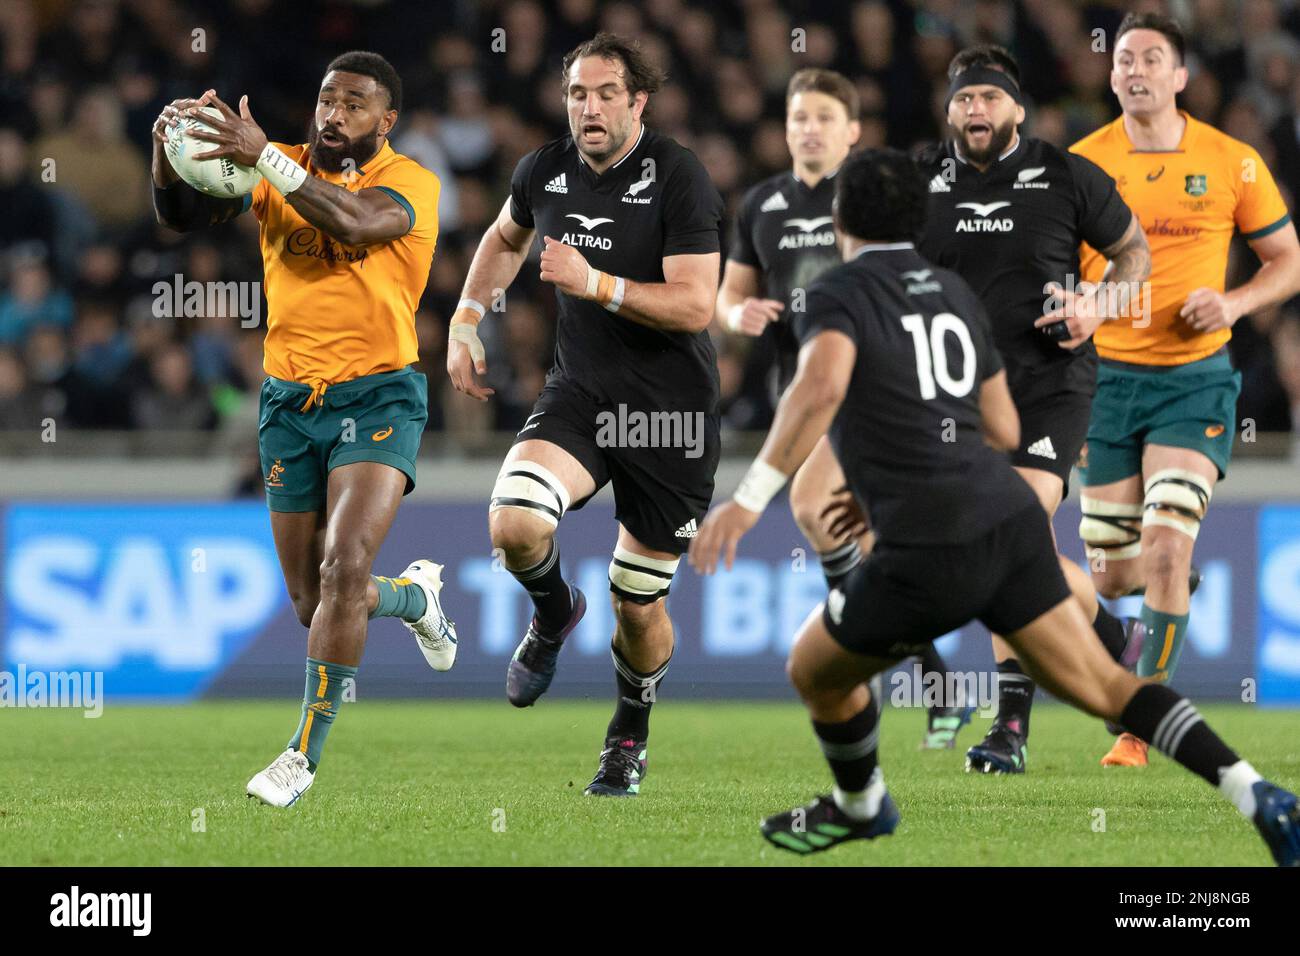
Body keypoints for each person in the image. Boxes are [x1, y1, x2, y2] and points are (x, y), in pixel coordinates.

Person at [688, 148, 1299, 864]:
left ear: (839, 219)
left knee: (811, 670)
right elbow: (1005, 428)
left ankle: (863, 804)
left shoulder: (836, 291)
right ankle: (1255, 791)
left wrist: (750, 499)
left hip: (923, 548)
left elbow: (817, 390)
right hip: (1004, 520)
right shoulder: (951, 291)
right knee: (1110, 688)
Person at [151, 51, 458, 808]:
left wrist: (266, 161)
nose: (334, 114)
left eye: (355, 105)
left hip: (380, 397)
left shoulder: (411, 183)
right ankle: (415, 602)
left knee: (342, 568)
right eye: (327, 99)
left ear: (385, 122)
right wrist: (168, 156)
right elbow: (181, 218)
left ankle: (301, 756)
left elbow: (354, 223)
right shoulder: (271, 163)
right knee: (311, 603)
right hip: (289, 405)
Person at [446, 34, 723, 797]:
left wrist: (596, 283)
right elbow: (505, 238)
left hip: (672, 417)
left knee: (637, 603)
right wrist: (466, 318)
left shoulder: (679, 176)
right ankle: (553, 609)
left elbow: (698, 304)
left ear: (639, 101)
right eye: (577, 93)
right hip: (582, 395)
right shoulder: (544, 169)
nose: (589, 107)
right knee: (515, 525)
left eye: (605, 93)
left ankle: (629, 731)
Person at [915, 45, 1153, 774]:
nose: (974, 110)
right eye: (963, 100)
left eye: (988, 98)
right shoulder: (920, 181)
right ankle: (1115, 640)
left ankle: (1010, 729)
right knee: (1004, 549)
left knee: (1009, 525)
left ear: (1016, 108)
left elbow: (1134, 255)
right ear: (949, 110)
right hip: (966, 397)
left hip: (1053, 384)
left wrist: (1095, 308)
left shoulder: (1067, 174)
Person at [1071, 13, 1300, 767]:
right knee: (1107, 573)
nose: (1135, 69)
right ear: (1112, 77)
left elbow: (1286, 260)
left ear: (1179, 77)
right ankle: (1170, 574)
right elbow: (1051, 264)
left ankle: (1140, 726)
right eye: (1125, 58)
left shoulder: (1231, 162)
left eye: (1152, 59)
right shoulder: (1080, 164)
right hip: (1107, 381)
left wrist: (1233, 305)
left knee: (1166, 544)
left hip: (1196, 378)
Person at [720, 67, 967, 749]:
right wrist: (735, 310)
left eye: (824, 117)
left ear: (853, 131)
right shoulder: (762, 204)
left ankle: (865, 646)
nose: (809, 128)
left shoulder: (874, 202)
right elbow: (726, 293)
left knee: (811, 506)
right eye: (799, 116)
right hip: (799, 392)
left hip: (870, 387)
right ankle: (936, 683)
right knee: (857, 538)